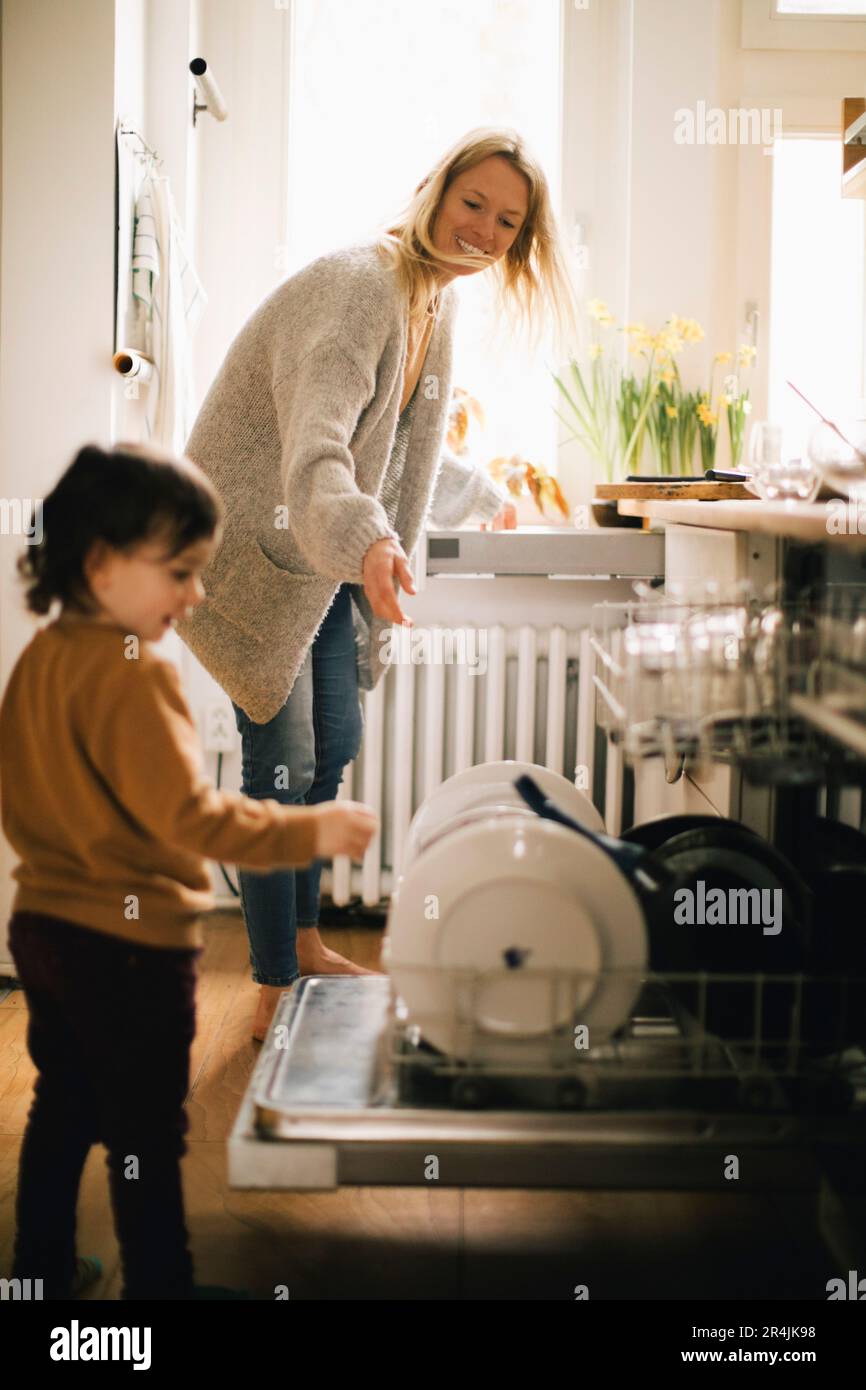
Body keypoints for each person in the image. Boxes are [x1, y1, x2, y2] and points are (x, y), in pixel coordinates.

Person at [175, 126, 580, 1042]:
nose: (484, 228)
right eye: (472, 203)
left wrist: (487, 495)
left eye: (507, 221)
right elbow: (319, 451)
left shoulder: (431, 301)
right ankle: (276, 979)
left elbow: (397, 446)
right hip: (255, 547)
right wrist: (367, 545)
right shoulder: (364, 284)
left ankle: (305, 941)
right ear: (434, 191)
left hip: (314, 552)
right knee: (283, 762)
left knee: (333, 742)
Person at [0, 441, 378, 1300]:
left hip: (45, 935)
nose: (197, 593)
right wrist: (310, 827)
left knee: (62, 1105)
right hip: (129, 952)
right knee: (143, 1132)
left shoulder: (36, 662)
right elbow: (195, 818)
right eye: (179, 571)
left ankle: (39, 1274)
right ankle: (160, 1288)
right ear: (101, 564)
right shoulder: (132, 680)